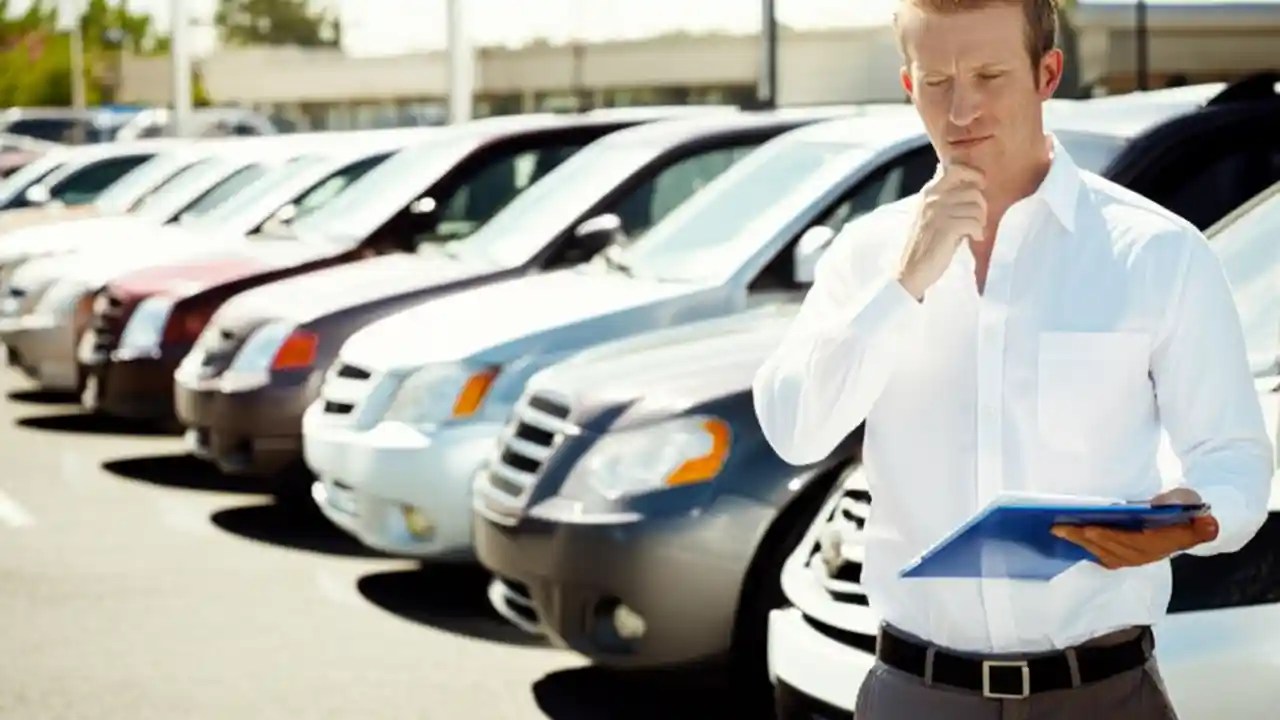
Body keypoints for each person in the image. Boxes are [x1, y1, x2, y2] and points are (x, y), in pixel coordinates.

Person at [751, 1, 1275, 718]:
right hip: (915, 695)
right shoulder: (868, 256)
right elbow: (794, 428)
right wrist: (904, 284)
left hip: (1104, 695)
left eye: (990, 75)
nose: (961, 108)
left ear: (1047, 73)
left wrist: (1196, 519)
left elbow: (1234, 457)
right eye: (935, 81)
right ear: (908, 84)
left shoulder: (1157, 252)